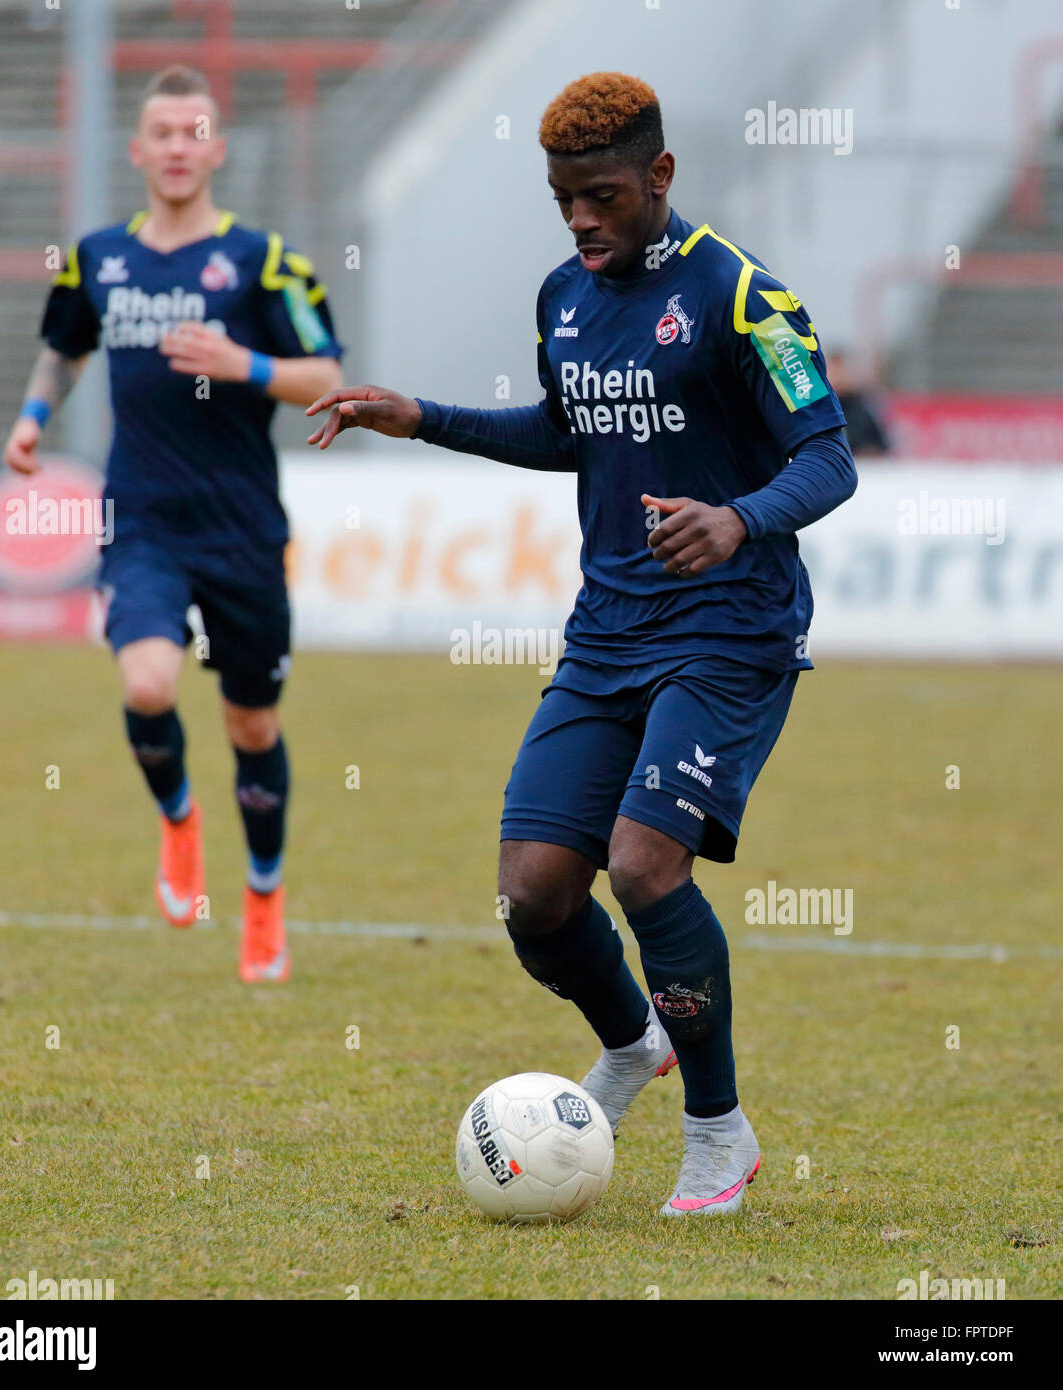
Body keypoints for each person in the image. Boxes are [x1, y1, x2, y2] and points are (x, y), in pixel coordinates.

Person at [306, 72, 856, 1214]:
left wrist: (736, 517)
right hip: (605, 631)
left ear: (658, 175)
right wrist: (427, 418)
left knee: (646, 865)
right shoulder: (565, 292)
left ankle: (717, 1131)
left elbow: (828, 456)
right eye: (562, 199)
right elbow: (571, 432)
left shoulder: (742, 297)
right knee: (533, 897)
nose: (580, 221)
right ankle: (632, 1040)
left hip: (726, 628)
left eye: (600, 195)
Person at [2, 65, 344, 982]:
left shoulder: (266, 262)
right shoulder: (99, 258)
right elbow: (62, 346)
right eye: (163, 133)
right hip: (142, 518)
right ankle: (180, 820)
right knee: (149, 685)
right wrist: (34, 418)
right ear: (139, 149)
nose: (179, 147)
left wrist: (244, 362)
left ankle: (263, 896)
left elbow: (328, 375)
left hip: (241, 528)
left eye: (195, 132)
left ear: (216, 148)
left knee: (251, 727)